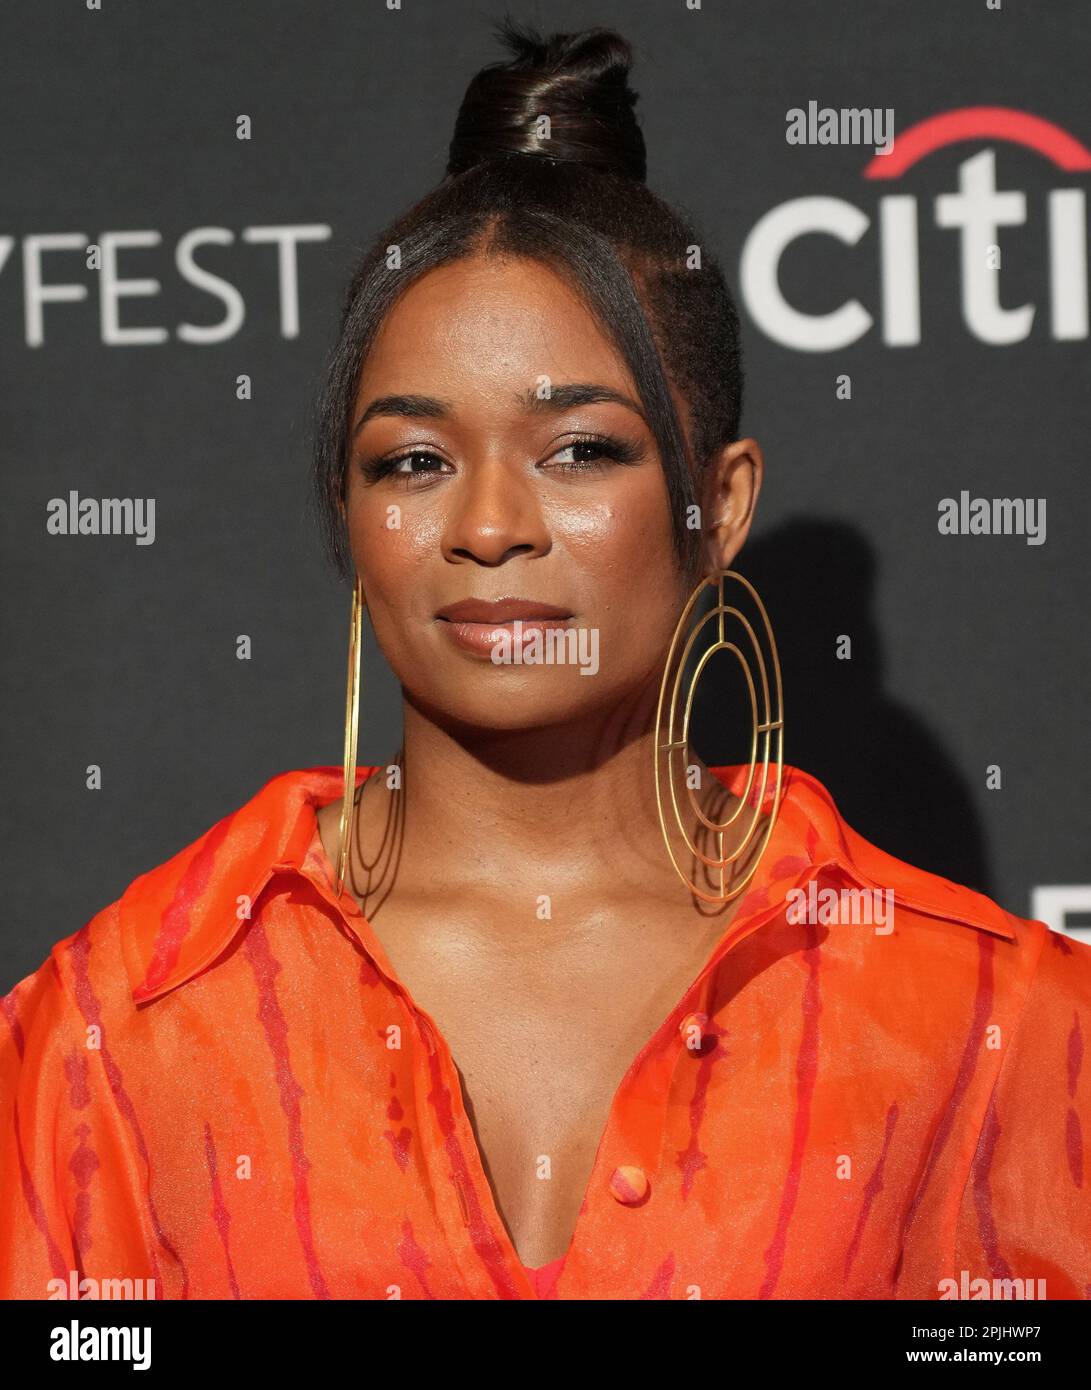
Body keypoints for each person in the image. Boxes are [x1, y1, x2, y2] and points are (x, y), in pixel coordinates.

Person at [2, 20, 1089, 1302]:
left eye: (580, 449)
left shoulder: (990, 1022)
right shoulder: (124, 1019)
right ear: (347, 515)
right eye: (412, 460)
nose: (487, 525)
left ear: (719, 504)